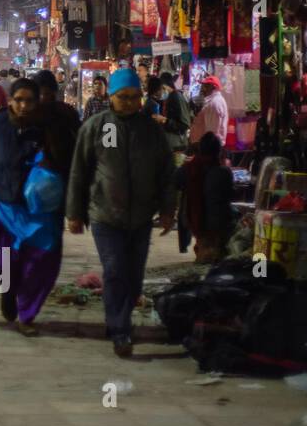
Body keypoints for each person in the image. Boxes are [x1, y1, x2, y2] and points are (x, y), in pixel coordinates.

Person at [65, 68, 175, 357]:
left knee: (134, 275)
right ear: (111, 97)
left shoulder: (151, 130)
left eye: (134, 97)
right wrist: (74, 212)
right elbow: (80, 171)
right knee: (114, 271)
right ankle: (120, 329)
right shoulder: (97, 127)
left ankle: (119, 319)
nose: (128, 102)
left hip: (141, 217)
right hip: (105, 215)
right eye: (122, 97)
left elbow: (166, 172)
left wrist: (167, 209)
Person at [0, 101, 76, 336]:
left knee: (40, 265)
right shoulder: (3, 124)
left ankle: (26, 314)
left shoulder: (63, 120)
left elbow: (79, 164)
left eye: (33, 99)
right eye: (20, 99)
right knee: (5, 258)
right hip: (8, 206)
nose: (26, 105)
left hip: (46, 216)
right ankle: (8, 290)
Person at [0, 78, 43, 222]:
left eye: (29, 101)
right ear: (10, 100)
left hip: (36, 209)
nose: (23, 105)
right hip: (2, 203)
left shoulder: (44, 128)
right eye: (19, 100)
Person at [174, 131, 234, 263]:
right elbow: (230, 195)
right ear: (218, 152)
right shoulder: (225, 172)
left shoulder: (188, 169)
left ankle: (205, 251)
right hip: (218, 224)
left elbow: (174, 183)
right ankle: (213, 252)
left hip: (195, 220)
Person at [35, 70, 81, 138]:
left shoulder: (67, 113)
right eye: (39, 94)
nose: (43, 97)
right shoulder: (30, 115)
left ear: (53, 92)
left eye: (46, 93)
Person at [159, 72, 192, 160]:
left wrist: (165, 121)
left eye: (161, 87)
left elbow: (185, 124)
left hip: (177, 145)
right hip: (171, 144)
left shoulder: (177, 97)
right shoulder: (169, 97)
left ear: (165, 85)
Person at [190, 76, 229, 145]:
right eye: (203, 86)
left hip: (208, 148)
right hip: (207, 146)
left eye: (205, 86)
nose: (202, 89)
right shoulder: (215, 101)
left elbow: (211, 133)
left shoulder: (214, 103)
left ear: (213, 87)